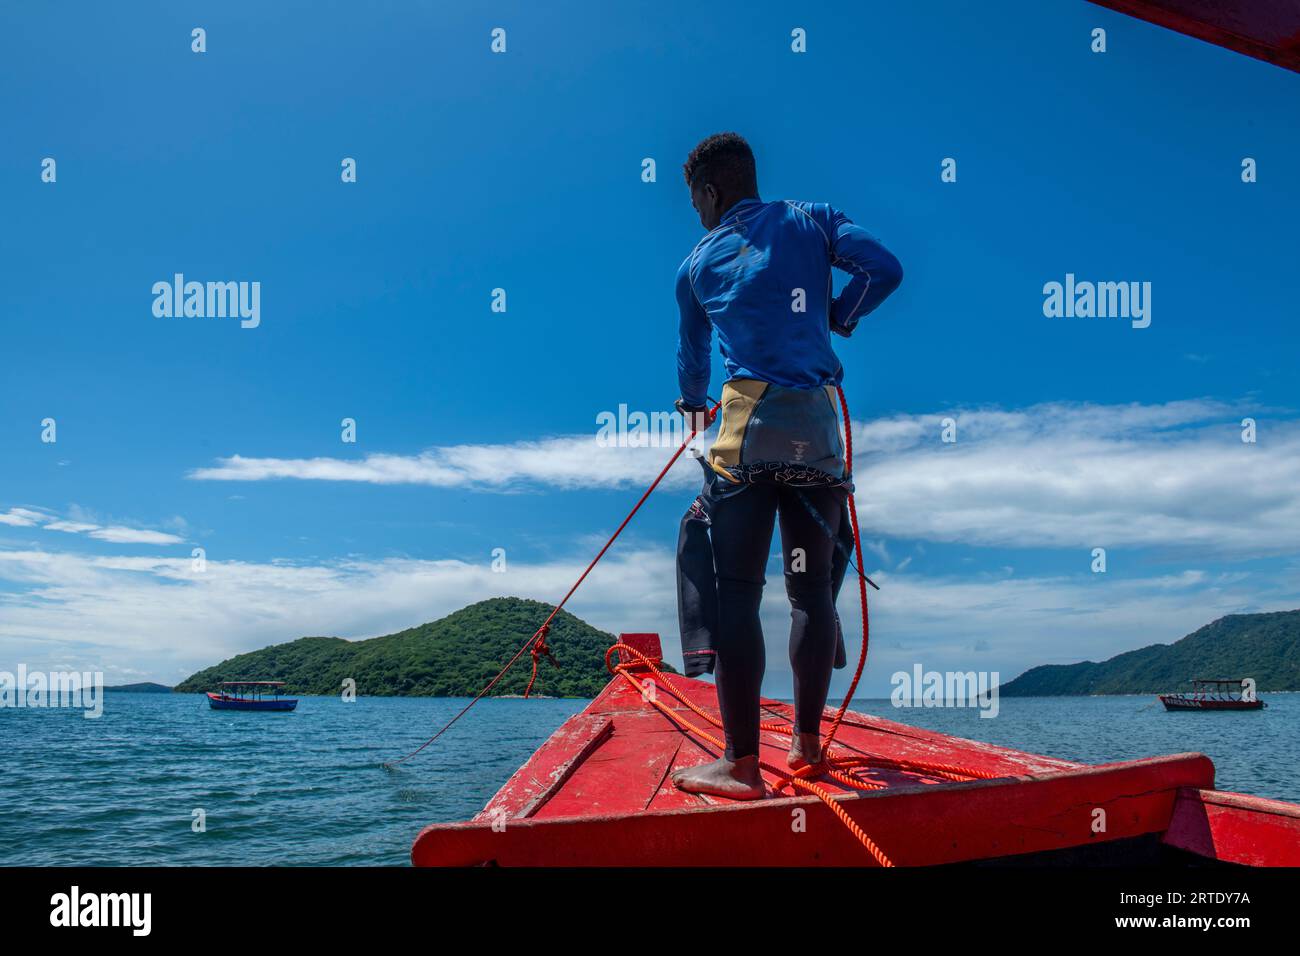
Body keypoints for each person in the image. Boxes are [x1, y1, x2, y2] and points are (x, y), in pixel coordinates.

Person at [670, 132, 903, 799]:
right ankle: (807, 749)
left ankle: (741, 765)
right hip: (815, 431)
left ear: (710, 193)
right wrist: (838, 315)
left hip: (745, 430)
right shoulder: (815, 219)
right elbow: (883, 270)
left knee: (738, 592)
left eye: (695, 202)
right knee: (809, 593)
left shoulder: (695, 265)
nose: (698, 214)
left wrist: (692, 401)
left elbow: (690, 359)